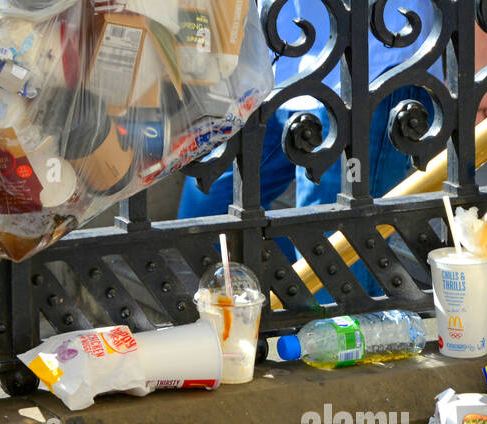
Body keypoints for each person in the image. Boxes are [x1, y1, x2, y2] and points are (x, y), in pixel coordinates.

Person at [179, 0, 435, 293]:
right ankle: (287, 308)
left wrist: (478, 56)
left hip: (368, 65)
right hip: (277, 60)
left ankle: (320, 321)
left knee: (333, 269)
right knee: (203, 217)